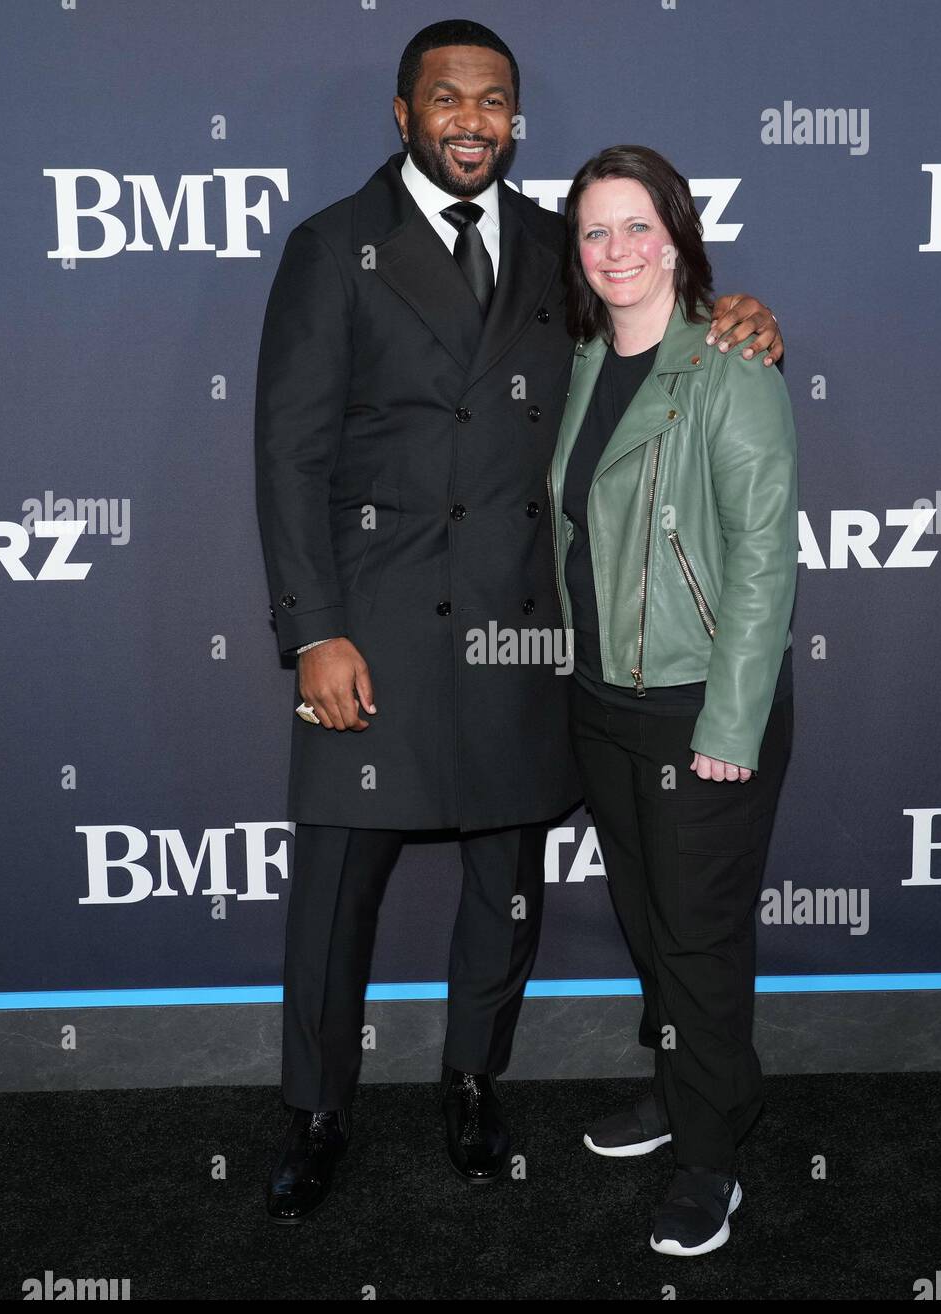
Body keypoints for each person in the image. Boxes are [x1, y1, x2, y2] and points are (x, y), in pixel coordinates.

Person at [254, 20, 785, 1224]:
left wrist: (737, 317)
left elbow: (657, 341)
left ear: (514, 118)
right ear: (403, 115)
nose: (470, 119)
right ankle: (317, 1110)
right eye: (445, 99)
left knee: (505, 878)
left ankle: (473, 1081)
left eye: (492, 100)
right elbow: (285, 454)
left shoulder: (563, 252)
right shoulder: (334, 247)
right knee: (335, 886)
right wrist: (310, 628)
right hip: (371, 628)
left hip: (523, 628)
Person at [548, 144, 798, 1255]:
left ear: (678, 236)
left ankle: (709, 1161)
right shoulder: (580, 363)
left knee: (696, 941)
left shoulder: (730, 366)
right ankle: (692, 1084)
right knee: (654, 931)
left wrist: (730, 725)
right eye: (594, 231)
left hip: (702, 699)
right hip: (606, 698)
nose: (615, 251)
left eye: (636, 227)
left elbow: (760, 563)